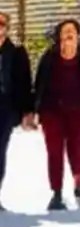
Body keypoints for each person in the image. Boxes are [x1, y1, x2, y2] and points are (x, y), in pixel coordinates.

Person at [33, 19, 80, 211]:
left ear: (77, 36)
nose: (69, 35)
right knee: (54, 152)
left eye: (72, 32)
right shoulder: (49, 57)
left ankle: (78, 182)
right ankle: (57, 193)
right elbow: (38, 85)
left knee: (76, 148)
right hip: (51, 111)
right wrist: (33, 111)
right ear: (59, 36)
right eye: (65, 32)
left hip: (78, 111)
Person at [0, 12, 34, 211]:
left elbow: (25, 83)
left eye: (2, 24)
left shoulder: (17, 53)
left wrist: (27, 111)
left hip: (5, 108)